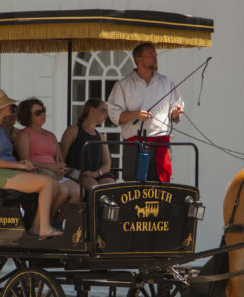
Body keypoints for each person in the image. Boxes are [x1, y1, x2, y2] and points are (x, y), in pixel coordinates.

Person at [0, 89, 62, 239]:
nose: (11, 108)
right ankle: (44, 227)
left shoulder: (1, 128)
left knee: (54, 184)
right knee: (47, 183)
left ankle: (36, 226)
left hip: (10, 171)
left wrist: (22, 163)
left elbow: (7, 156)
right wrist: (20, 166)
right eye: (8, 105)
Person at [106, 42, 183, 182]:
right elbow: (115, 115)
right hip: (135, 145)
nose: (155, 58)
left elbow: (174, 110)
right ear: (138, 60)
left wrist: (175, 113)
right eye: (150, 55)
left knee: (161, 191)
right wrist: (136, 114)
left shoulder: (166, 83)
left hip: (161, 145)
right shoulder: (123, 85)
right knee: (134, 191)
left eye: (155, 55)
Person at [14, 98, 81, 223]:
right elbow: (25, 160)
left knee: (79, 192)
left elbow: (60, 158)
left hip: (54, 173)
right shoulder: (24, 134)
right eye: (38, 113)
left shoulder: (50, 135)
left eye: (43, 111)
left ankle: (56, 222)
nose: (43, 115)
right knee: (64, 191)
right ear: (27, 116)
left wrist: (61, 166)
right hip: (37, 172)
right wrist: (49, 167)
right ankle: (44, 222)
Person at [61, 98, 115, 193]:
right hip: (78, 174)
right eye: (103, 111)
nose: (106, 115)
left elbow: (107, 164)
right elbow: (61, 158)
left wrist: (95, 174)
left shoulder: (101, 137)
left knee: (111, 187)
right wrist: (74, 172)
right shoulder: (73, 130)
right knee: (93, 187)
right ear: (92, 110)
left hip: (97, 174)